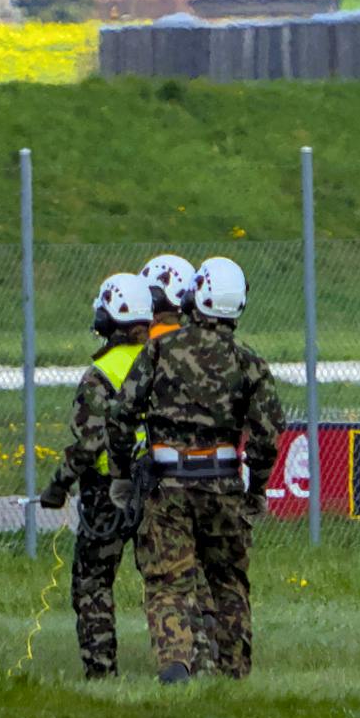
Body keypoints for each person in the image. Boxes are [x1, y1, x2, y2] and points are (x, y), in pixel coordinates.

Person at [132, 251, 285, 681]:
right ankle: (233, 670)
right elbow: (267, 432)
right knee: (229, 581)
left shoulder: (160, 350)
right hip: (222, 483)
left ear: (196, 296)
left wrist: (127, 474)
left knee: (168, 582)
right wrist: (255, 490)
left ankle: (175, 661)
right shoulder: (248, 362)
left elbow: (122, 410)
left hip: (167, 484)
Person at [39, 270, 158, 679]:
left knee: (92, 584)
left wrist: (57, 486)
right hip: (161, 488)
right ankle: (181, 662)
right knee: (166, 581)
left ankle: (101, 670)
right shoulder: (164, 362)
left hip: (108, 494)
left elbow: (89, 446)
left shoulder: (100, 375)